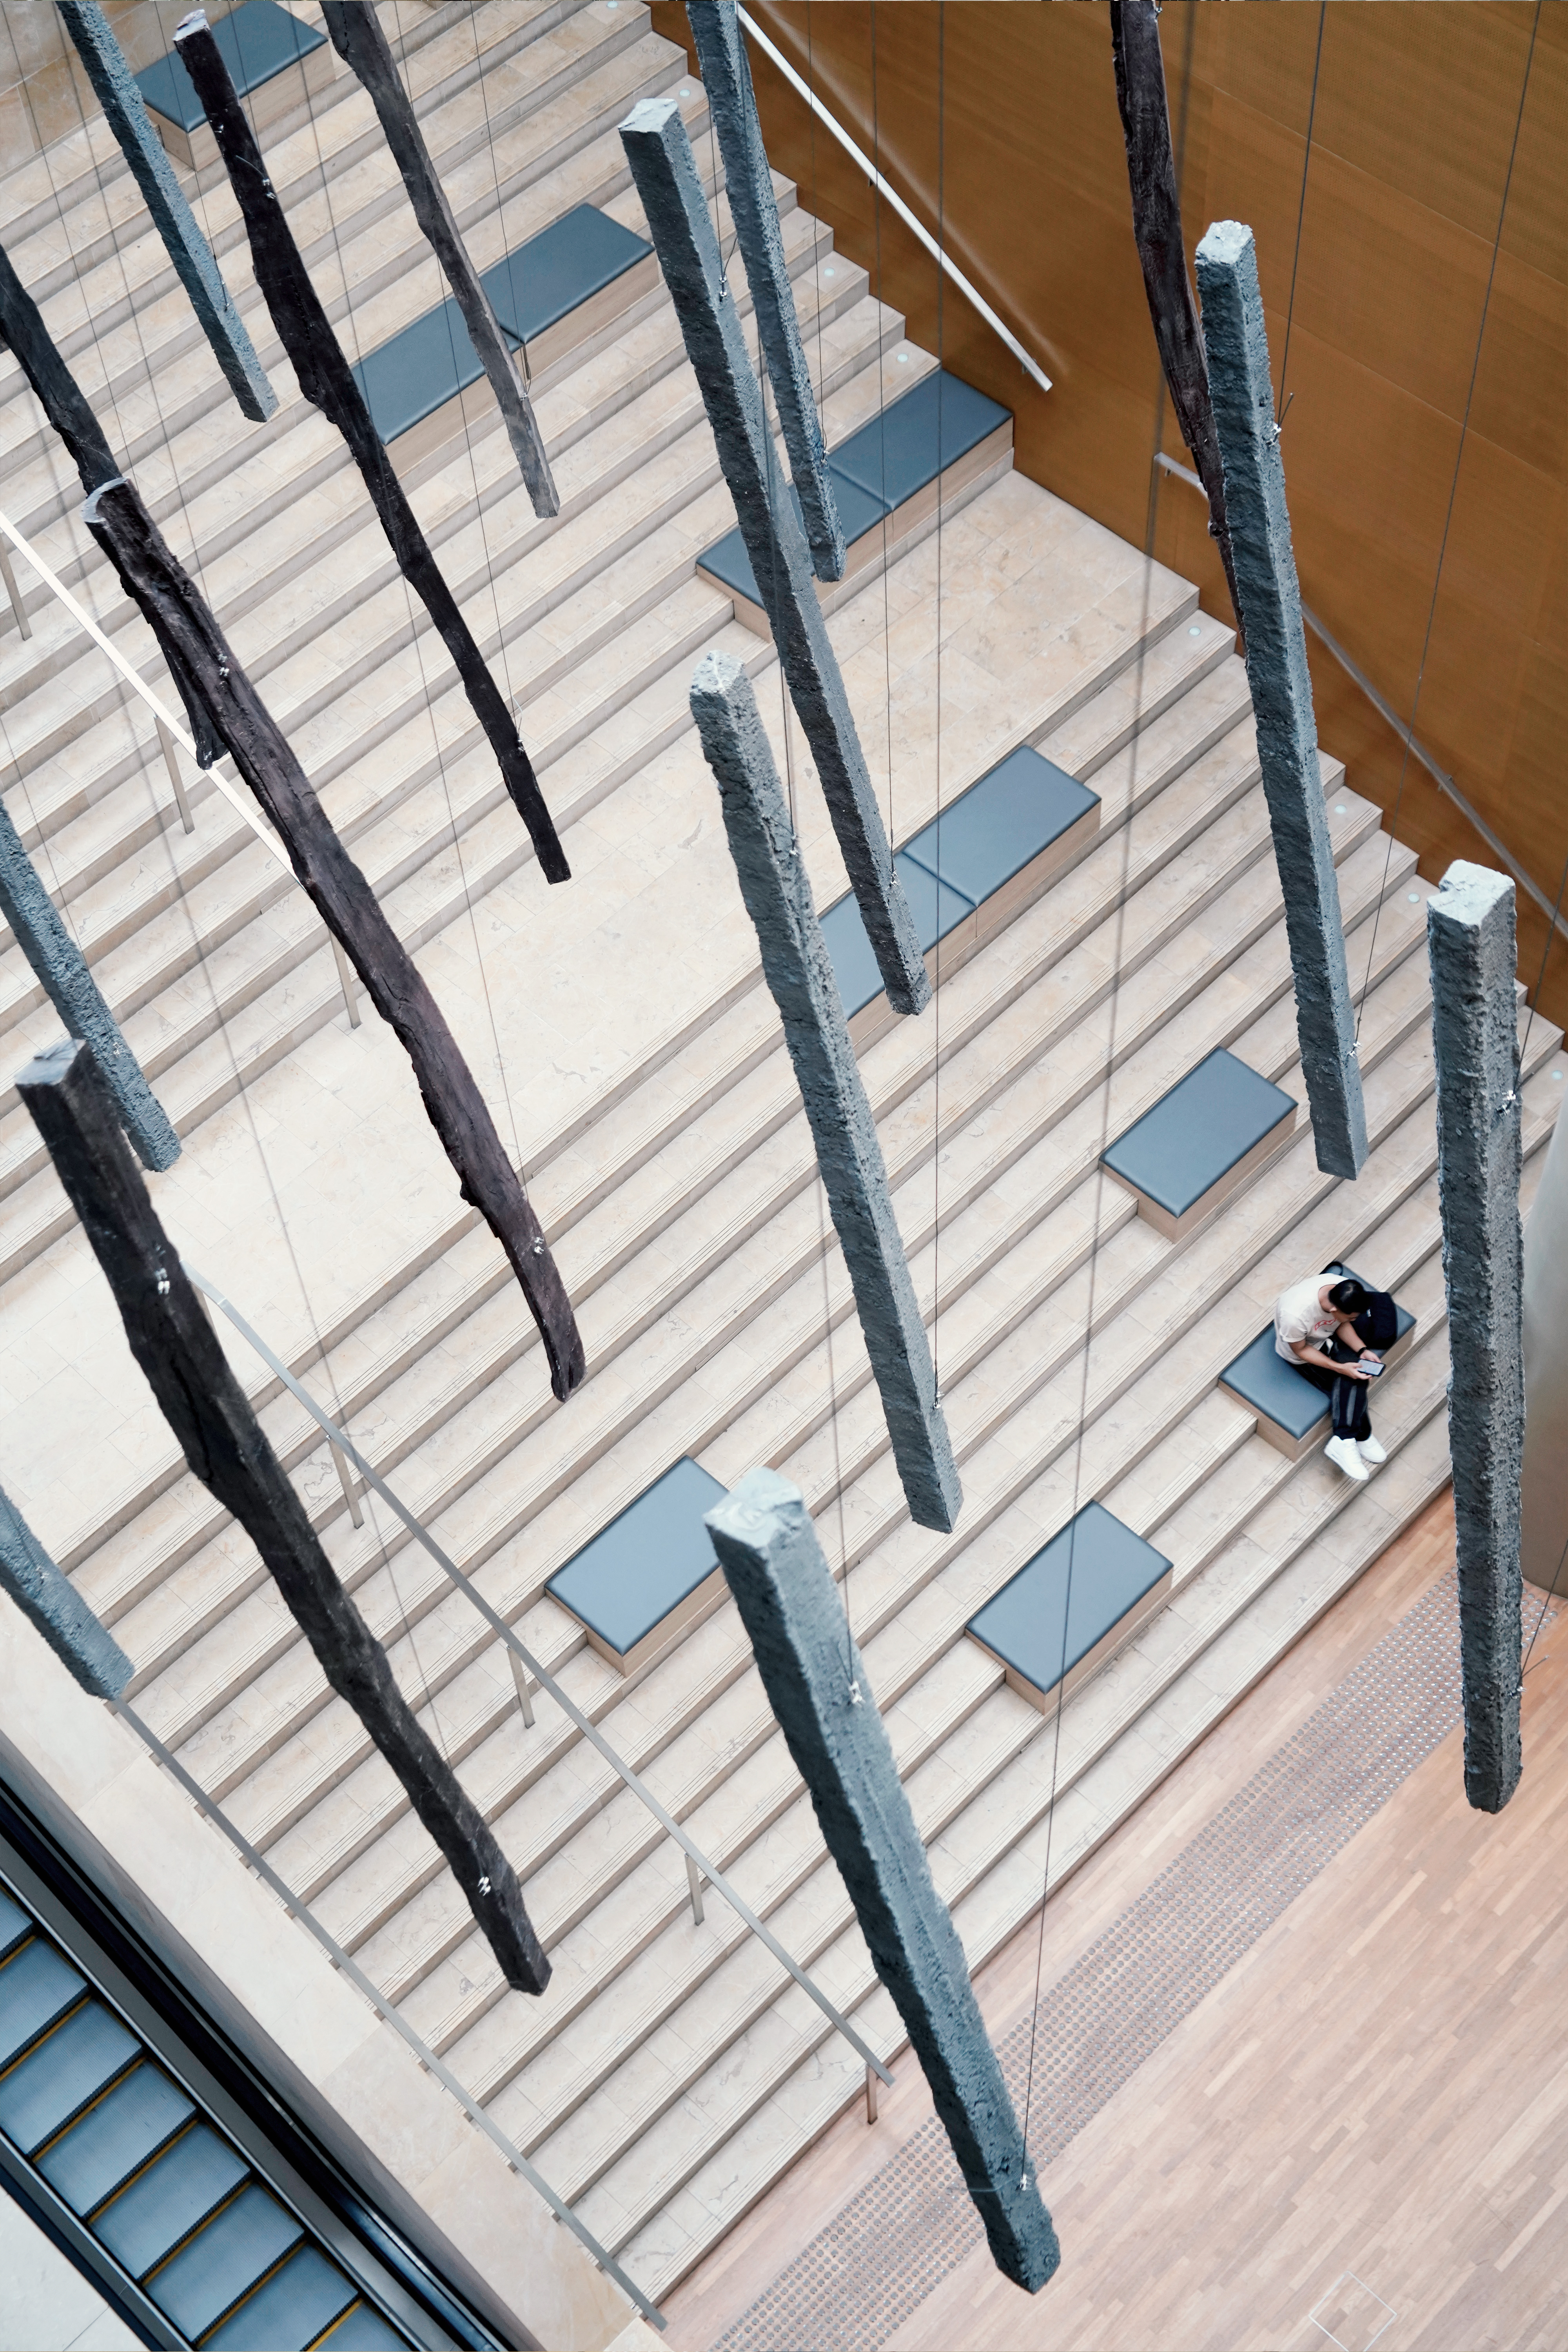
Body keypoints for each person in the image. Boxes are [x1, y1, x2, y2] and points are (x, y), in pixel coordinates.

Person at [1273, 1272, 1386, 1482]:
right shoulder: (1296, 1317)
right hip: (1302, 1355)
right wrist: (1339, 1367)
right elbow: (1300, 1350)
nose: (1354, 1320)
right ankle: (1357, 1435)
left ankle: (1348, 1438)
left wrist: (1361, 1350)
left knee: (1356, 1375)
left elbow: (1341, 1324)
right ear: (1334, 1309)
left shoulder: (1341, 1288)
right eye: (1352, 1316)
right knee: (1348, 1380)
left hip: (1323, 1339)